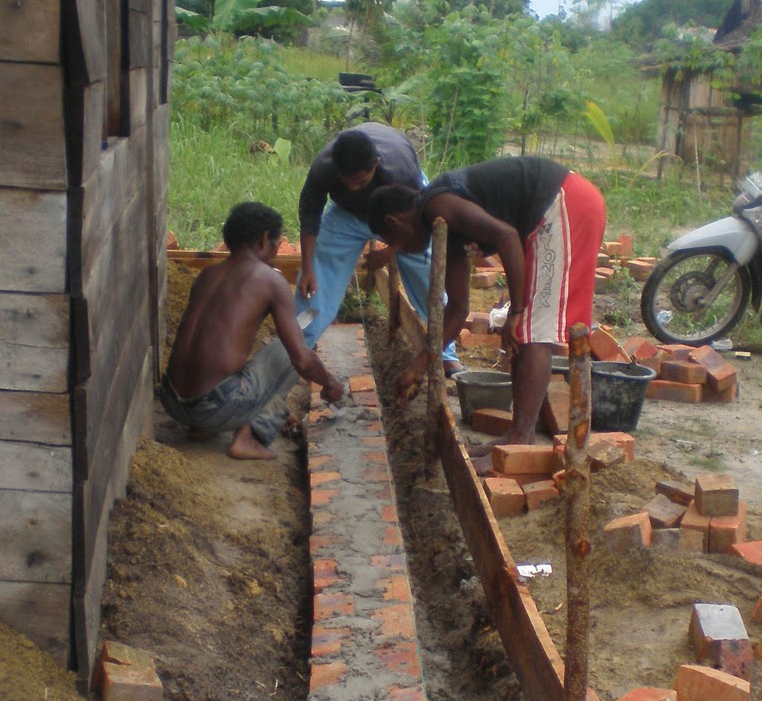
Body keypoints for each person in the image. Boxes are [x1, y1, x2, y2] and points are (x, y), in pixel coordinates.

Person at [367, 156, 607, 450]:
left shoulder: (437, 205)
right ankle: (518, 435)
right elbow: (457, 310)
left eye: (391, 239)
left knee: (533, 328)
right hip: (551, 211)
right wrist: (417, 368)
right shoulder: (447, 231)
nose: (397, 247)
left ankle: (521, 439)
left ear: (393, 221)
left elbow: (506, 236)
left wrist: (516, 311)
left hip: (562, 202)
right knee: (525, 330)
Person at [161, 201, 345, 461]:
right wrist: (330, 383)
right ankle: (251, 436)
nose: (279, 247)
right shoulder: (270, 279)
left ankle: (198, 428)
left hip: (171, 401)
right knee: (293, 349)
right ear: (263, 239)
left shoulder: (207, 275)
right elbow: (301, 360)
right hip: (215, 407)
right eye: (277, 241)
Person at [296, 124, 459, 369]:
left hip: (403, 209)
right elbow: (310, 216)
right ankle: (298, 345)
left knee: (426, 275)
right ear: (337, 171)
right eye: (347, 182)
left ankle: (444, 354)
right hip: (348, 213)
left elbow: (418, 224)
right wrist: (307, 266)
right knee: (318, 271)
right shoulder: (323, 168)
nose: (353, 188)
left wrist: (389, 251)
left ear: (376, 164)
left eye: (361, 183)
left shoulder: (401, 172)